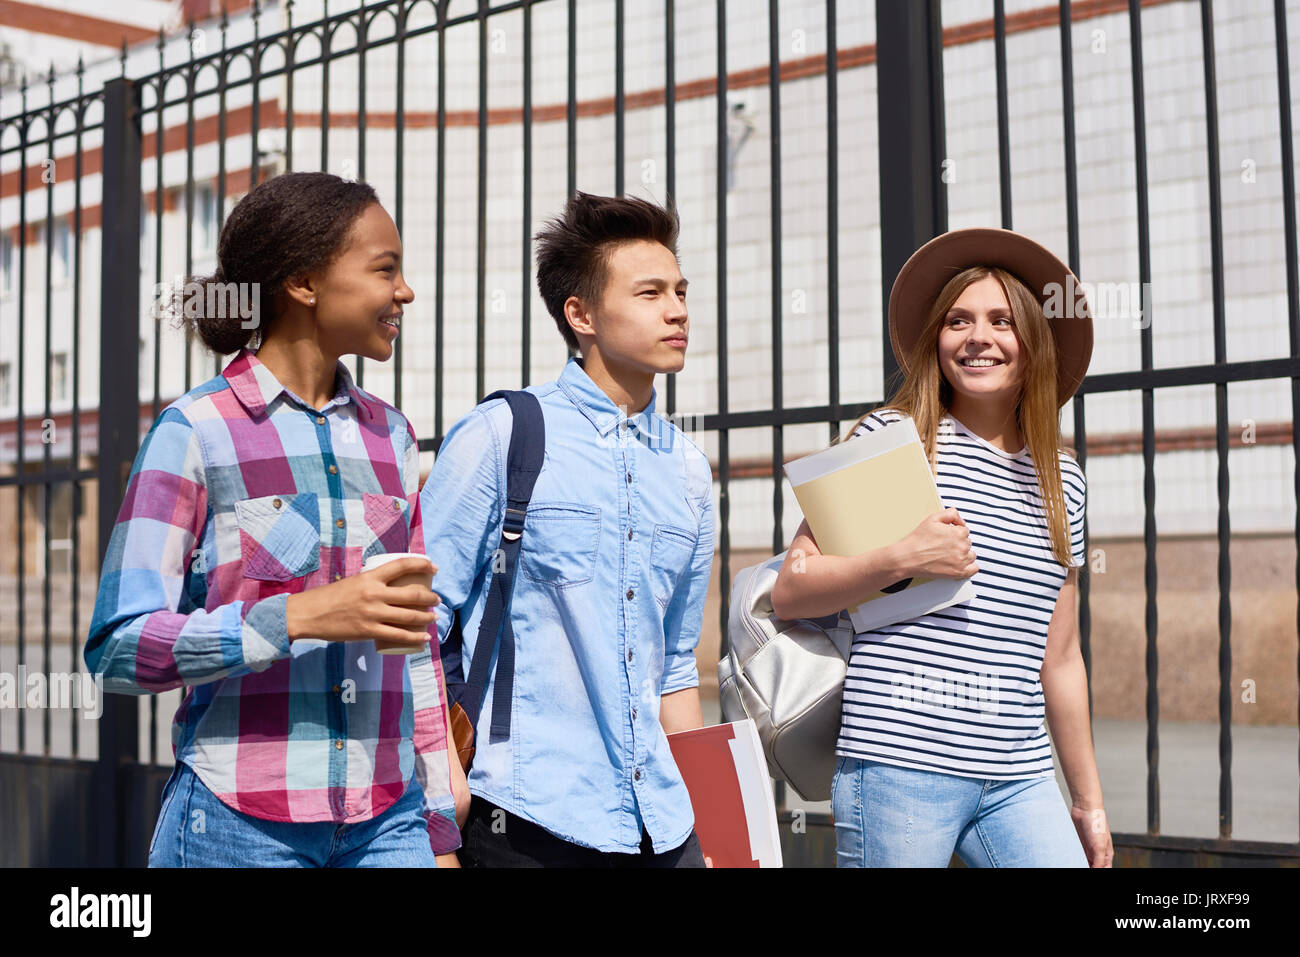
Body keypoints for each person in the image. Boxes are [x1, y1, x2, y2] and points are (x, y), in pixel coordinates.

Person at [85, 171, 469, 867]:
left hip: (390, 822)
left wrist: (438, 820)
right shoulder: (196, 431)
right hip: (239, 827)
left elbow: (412, 643)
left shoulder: (393, 437)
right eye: (386, 270)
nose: (404, 291)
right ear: (303, 283)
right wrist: (299, 616)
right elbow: (117, 644)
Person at [771, 227, 1114, 868]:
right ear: (938, 339)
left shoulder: (1062, 478)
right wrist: (902, 558)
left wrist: (1088, 801)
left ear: (1034, 343)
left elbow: (1061, 658)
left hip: (1020, 776)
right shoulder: (898, 439)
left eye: (1001, 321)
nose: (977, 337)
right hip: (900, 765)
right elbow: (793, 590)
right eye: (958, 320)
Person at [420, 191, 713, 867]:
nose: (677, 310)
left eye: (680, 290)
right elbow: (416, 629)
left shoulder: (690, 472)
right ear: (580, 314)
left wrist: (707, 825)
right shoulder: (503, 436)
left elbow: (675, 668)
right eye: (649, 293)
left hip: (663, 825)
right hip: (525, 817)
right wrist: (438, 816)